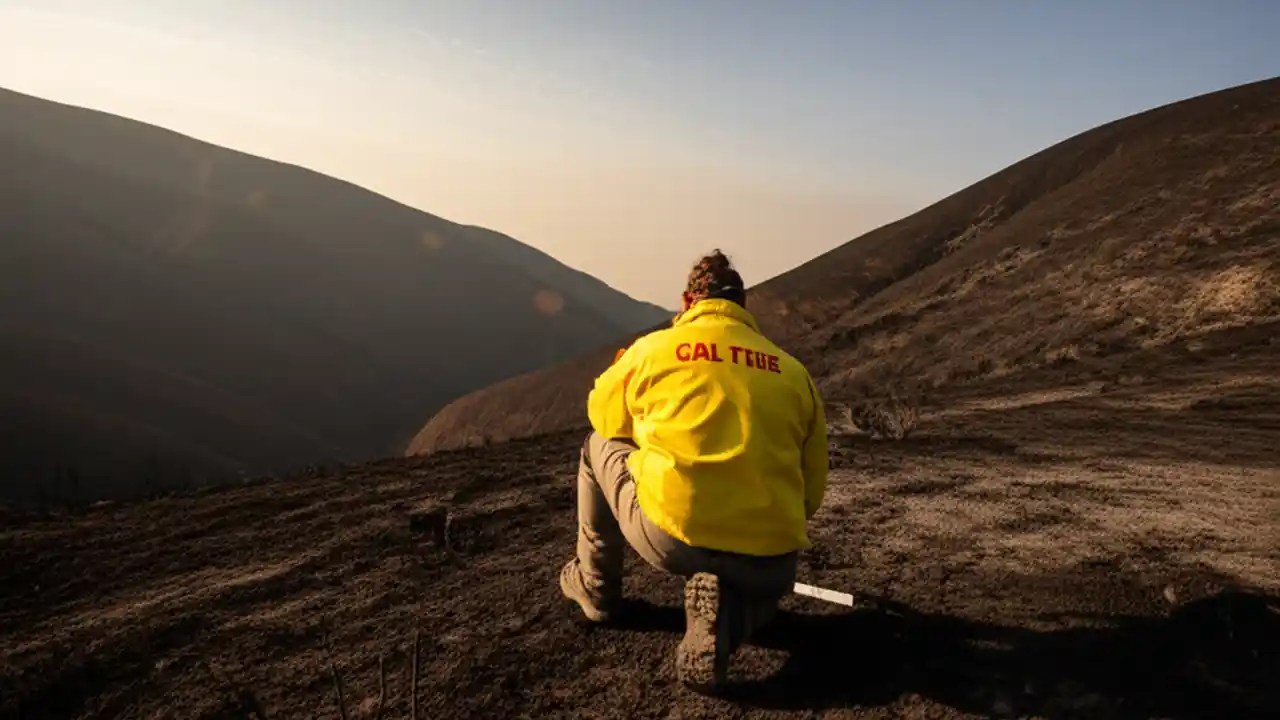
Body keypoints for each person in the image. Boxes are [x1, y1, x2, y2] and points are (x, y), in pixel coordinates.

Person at [558, 249, 829, 693]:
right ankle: (730, 617)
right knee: (765, 597)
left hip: (673, 537)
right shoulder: (794, 373)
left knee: (595, 448)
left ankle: (597, 588)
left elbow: (604, 419)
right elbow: (812, 493)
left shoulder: (652, 350)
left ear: (687, 301)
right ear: (742, 307)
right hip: (770, 559)